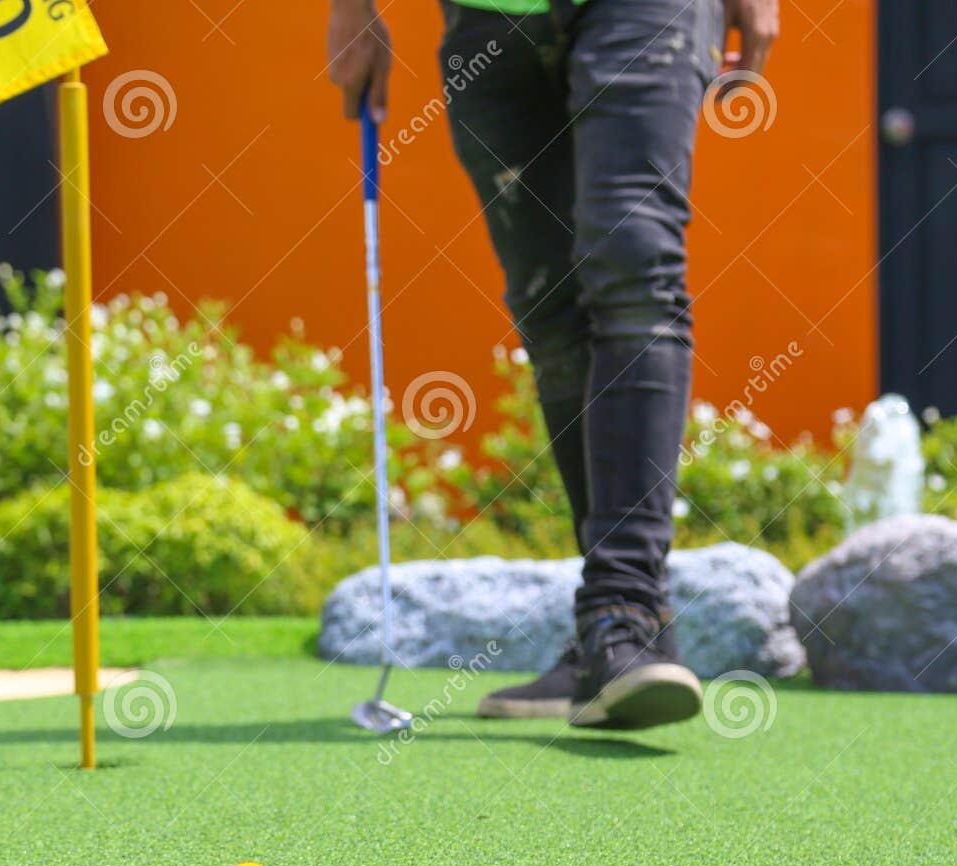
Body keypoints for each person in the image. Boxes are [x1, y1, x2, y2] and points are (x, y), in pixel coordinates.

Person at [327, 0, 779, 729]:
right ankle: (619, 635)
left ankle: (619, 612)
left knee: (635, 268)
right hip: (489, 17)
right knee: (550, 310)